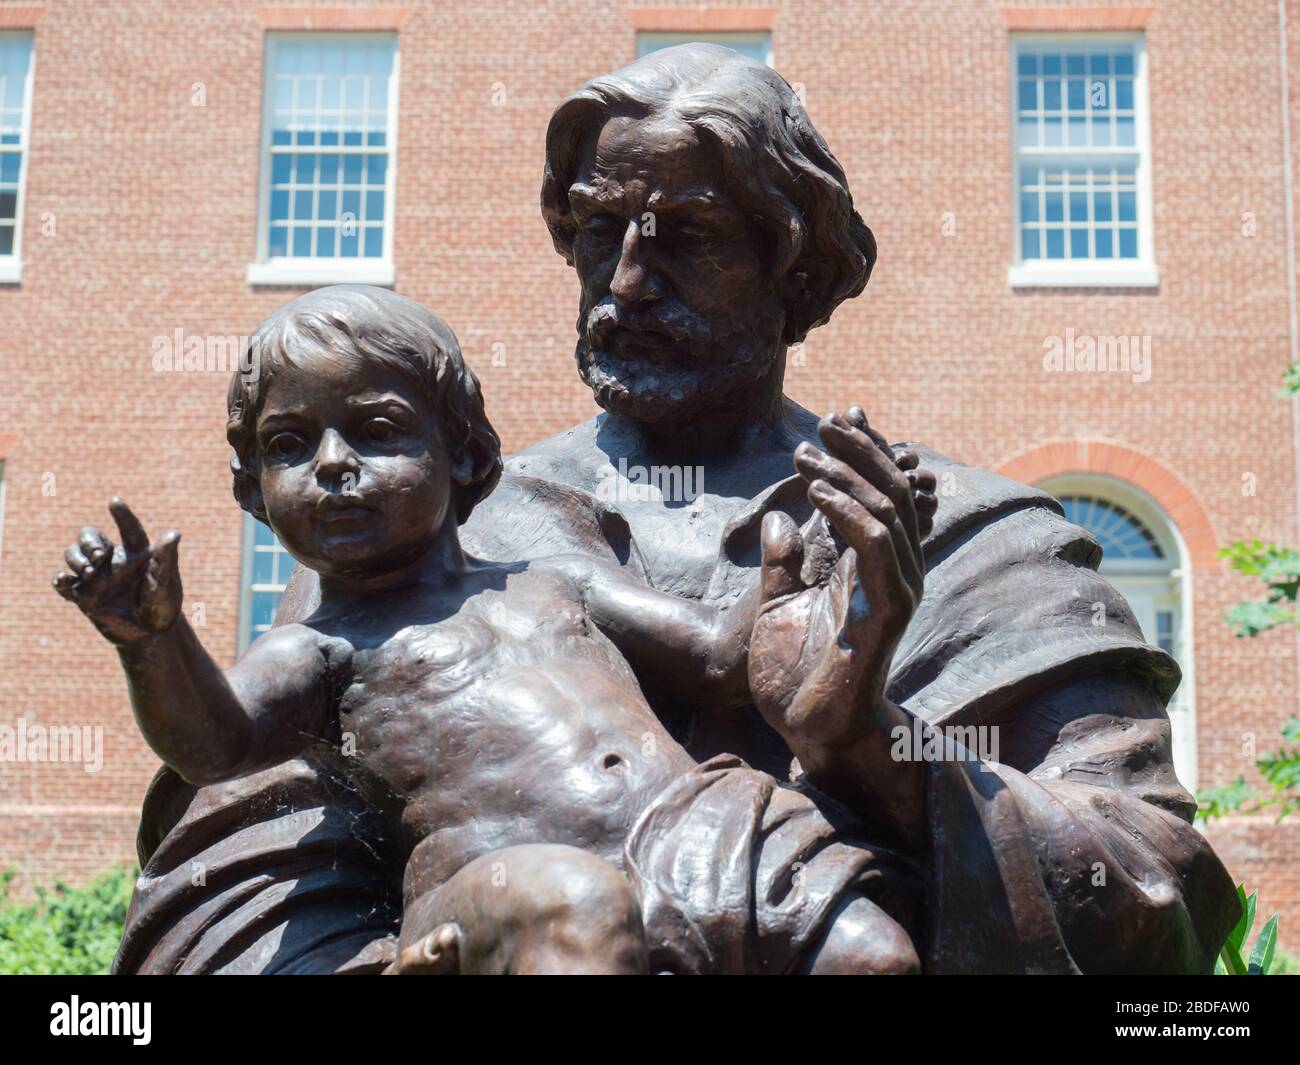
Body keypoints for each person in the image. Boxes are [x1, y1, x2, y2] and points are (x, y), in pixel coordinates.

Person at [112, 45, 1238, 974]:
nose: (630, 283)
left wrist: (865, 743)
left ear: (792, 267)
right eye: (602, 232)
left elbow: (1154, 896)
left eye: (687, 237)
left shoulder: (964, 541)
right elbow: (226, 898)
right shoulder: (426, 544)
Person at [58, 285, 933, 974]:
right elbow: (214, 745)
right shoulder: (322, 647)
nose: (331, 464)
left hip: (689, 832)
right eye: (290, 445)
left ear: (468, 456)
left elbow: (716, 656)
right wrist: (152, 642)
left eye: (374, 431)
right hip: (501, 889)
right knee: (577, 901)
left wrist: (832, 552)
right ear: (252, 491)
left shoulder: (553, 578)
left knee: (876, 956)